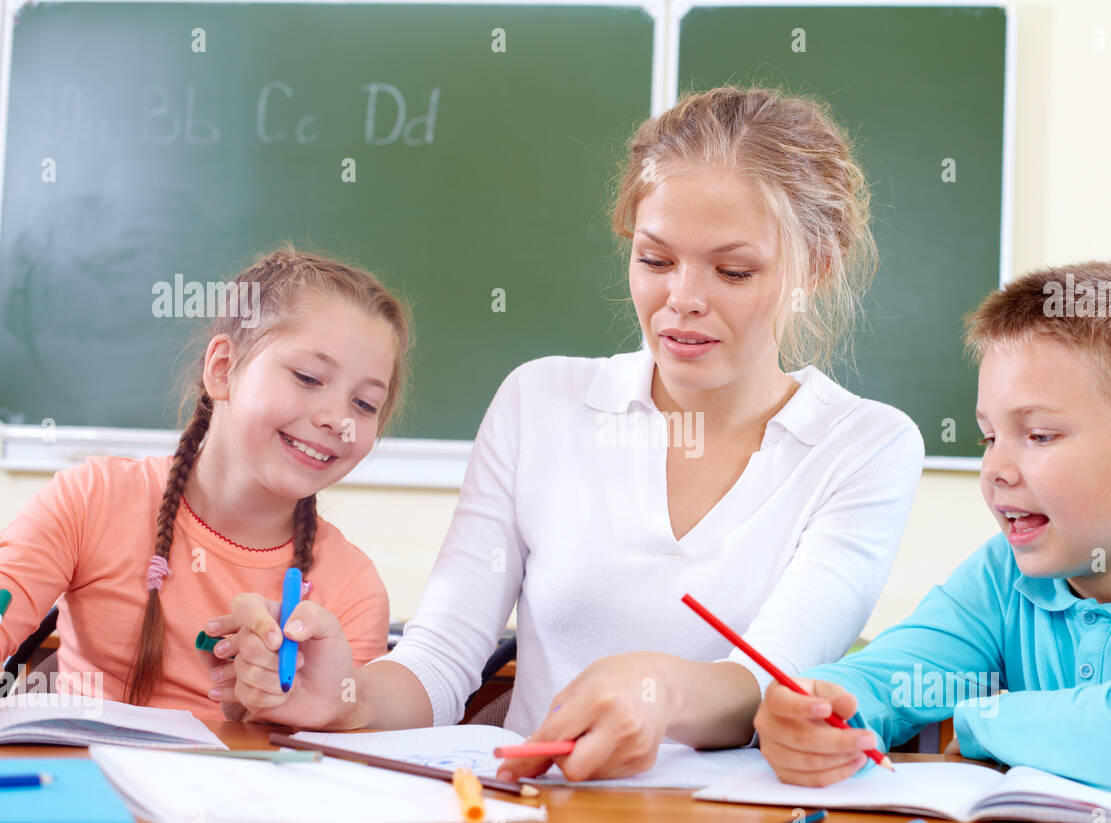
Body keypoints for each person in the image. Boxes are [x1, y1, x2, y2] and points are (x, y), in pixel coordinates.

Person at [210, 87, 925, 783]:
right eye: (654, 259)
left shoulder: (866, 447)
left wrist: (657, 689)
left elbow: (773, 676)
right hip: (531, 820)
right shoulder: (540, 401)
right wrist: (346, 699)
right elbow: (444, 656)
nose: (682, 299)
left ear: (816, 269)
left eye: (733, 270)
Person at [753, 260, 1111, 823]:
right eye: (989, 437)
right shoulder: (1006, 577)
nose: (995, 469)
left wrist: (985, 720)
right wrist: (817, 708)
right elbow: (889, 679)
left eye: (1038, 436)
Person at [0, 248, 409, 717]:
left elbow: (336, 757)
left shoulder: (353, 587)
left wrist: (278, 706)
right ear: (222, 368)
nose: (338, 419)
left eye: (364, 404)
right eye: (308, 377)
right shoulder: (92, 499)